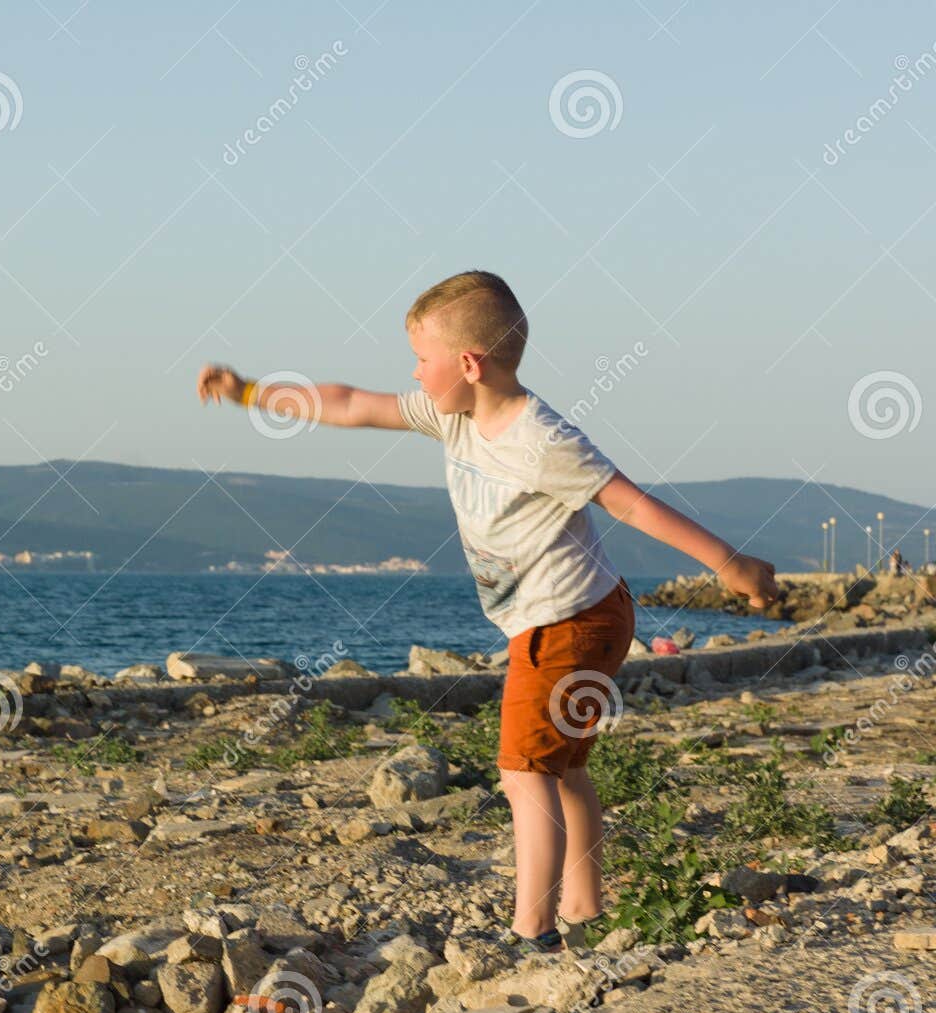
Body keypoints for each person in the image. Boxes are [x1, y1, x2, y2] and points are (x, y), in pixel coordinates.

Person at [196, 270, 779, 953]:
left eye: (421, 359)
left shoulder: (542, 437)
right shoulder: (453, 413)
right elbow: (352, 403)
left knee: (523, 773)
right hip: (584, 615)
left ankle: (533, 929)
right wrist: (251, 392)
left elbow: (630, 502)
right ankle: (585, 909)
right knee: (563, 769)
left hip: (569, 625)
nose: (412, 374)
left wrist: (727, 562)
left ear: (469, 363)